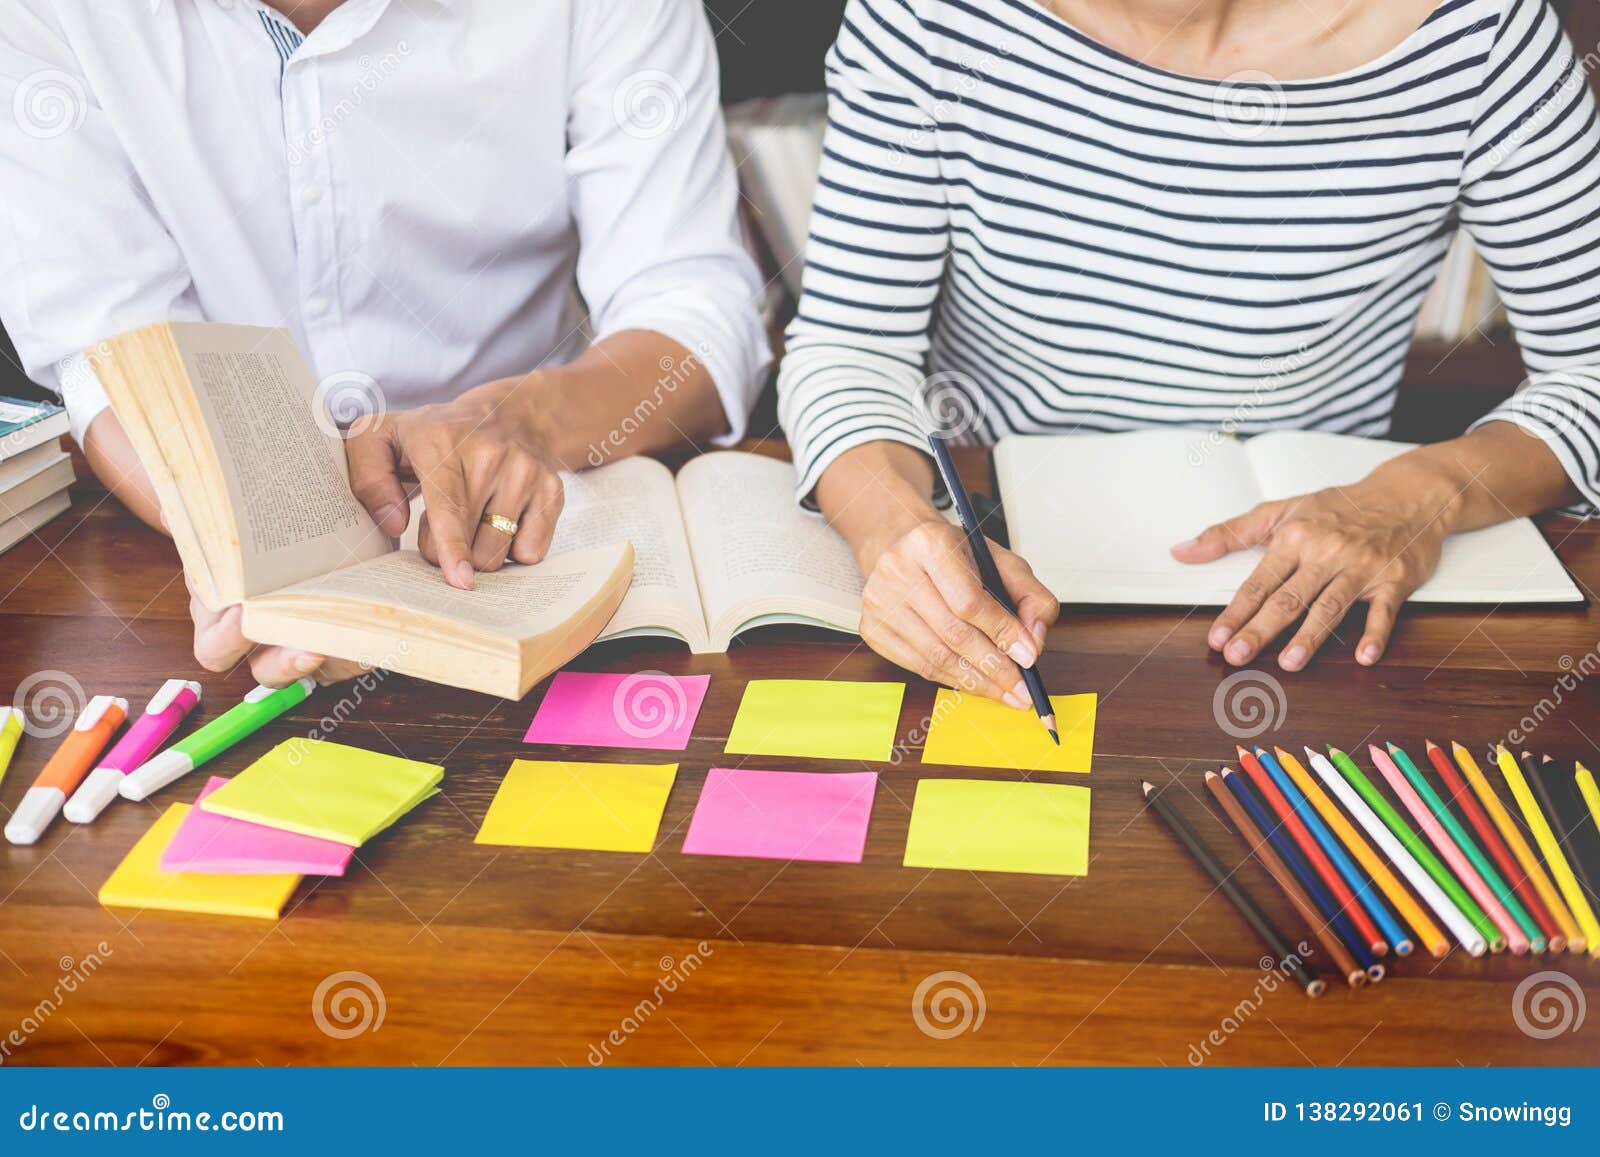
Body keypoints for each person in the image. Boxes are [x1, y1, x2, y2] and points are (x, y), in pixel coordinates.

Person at [778, 0, 1600, 708]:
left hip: (1324, 606)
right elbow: (851, 343)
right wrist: (893, 526)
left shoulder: (1484, 36)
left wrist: (1420, 494)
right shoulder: (929, 18)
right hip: (995, 568)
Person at [0, 0, 768, 684]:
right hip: (178, 566)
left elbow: (693, 310)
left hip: (519, 531)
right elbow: (112, 353)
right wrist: (255, 547)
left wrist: (525, 419)